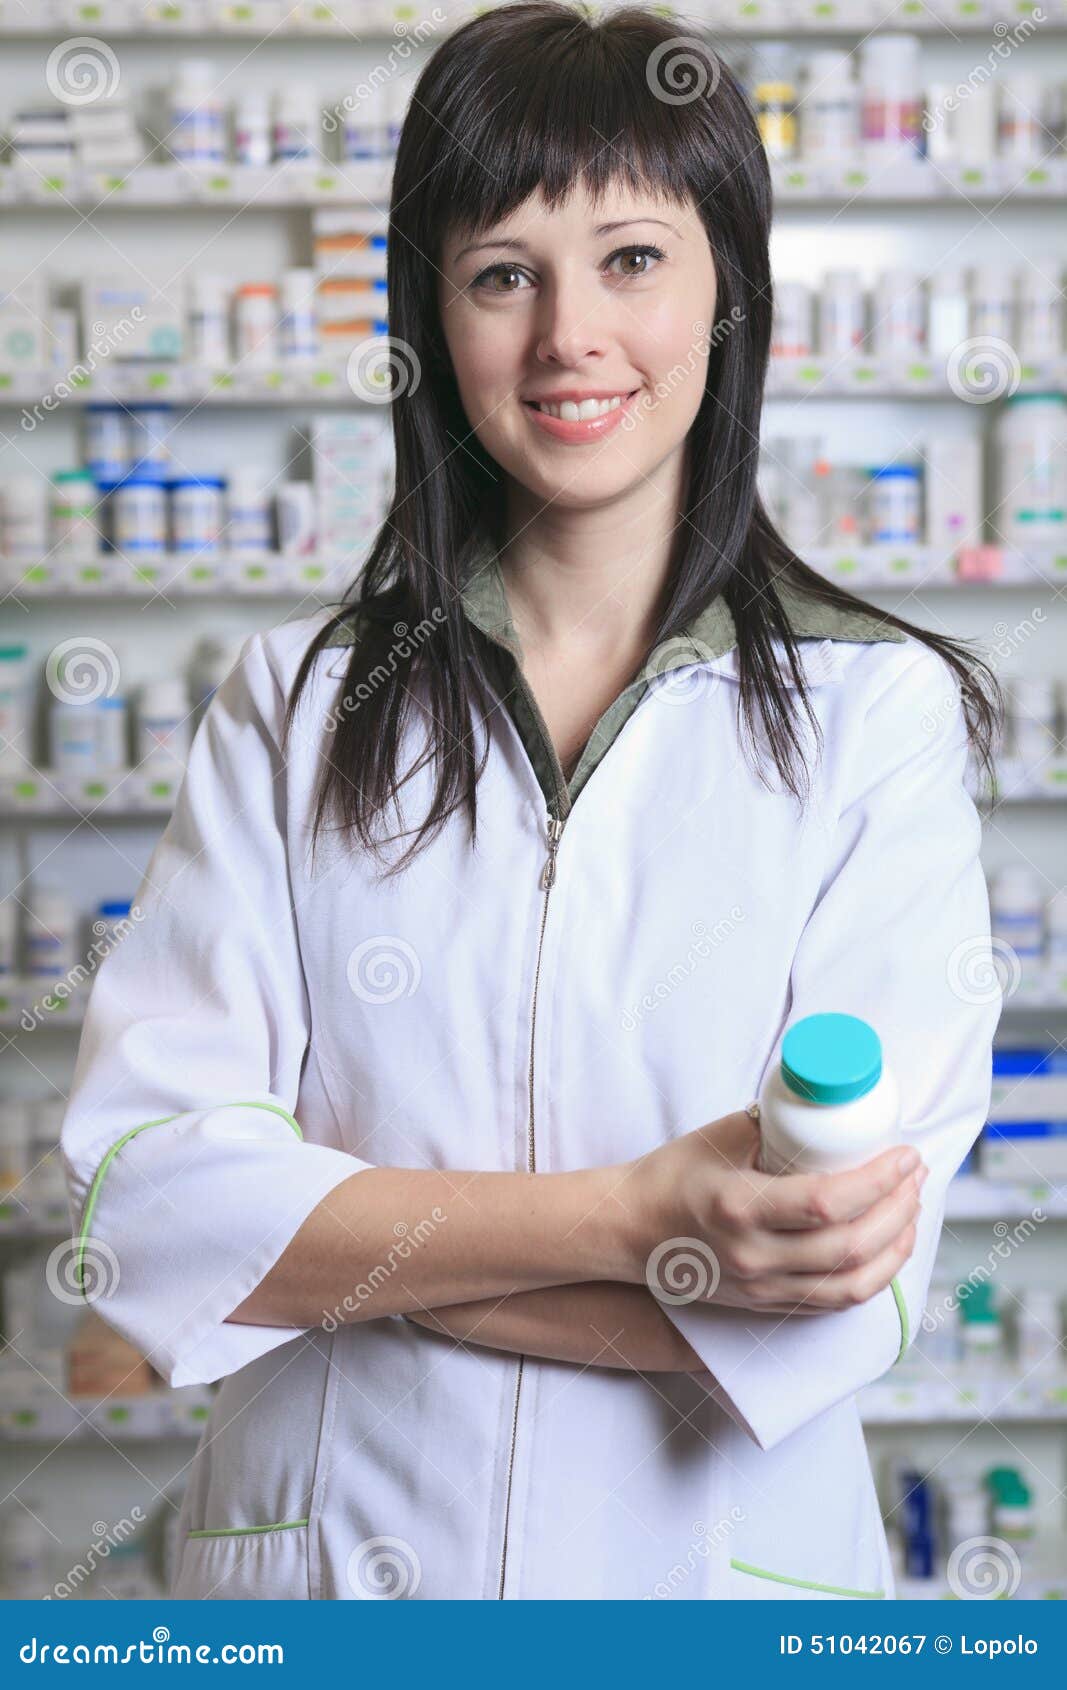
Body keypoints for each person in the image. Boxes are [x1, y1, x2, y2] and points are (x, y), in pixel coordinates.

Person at [60, 2, 1002, 1601]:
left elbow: (836, 1284)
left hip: (706, 1591)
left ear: (731, 297)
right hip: (336, 1590)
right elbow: (152, 1210)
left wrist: (349, 1266)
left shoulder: (875, 717)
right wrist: (644, 1220)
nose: (570, 334)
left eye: (632, 258)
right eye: (505, 273)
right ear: (433, 320)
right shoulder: (296, 703)